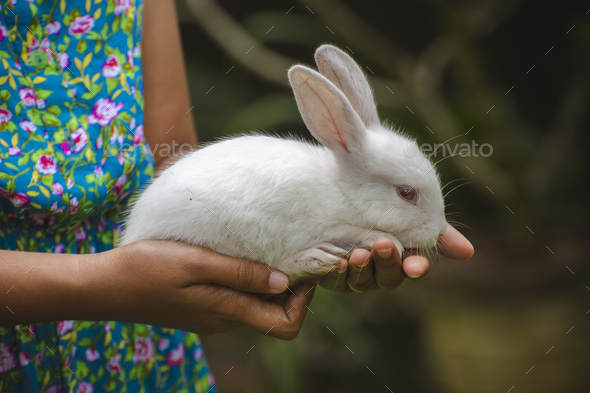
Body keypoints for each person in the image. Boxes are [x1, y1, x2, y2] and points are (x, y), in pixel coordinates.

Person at [0, 1, 474, 392]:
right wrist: (107, 282)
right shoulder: (333, 186)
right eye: (408, 195)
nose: (427, 223)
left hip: (137, 343)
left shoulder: (342, 179)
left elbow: (172, 148)